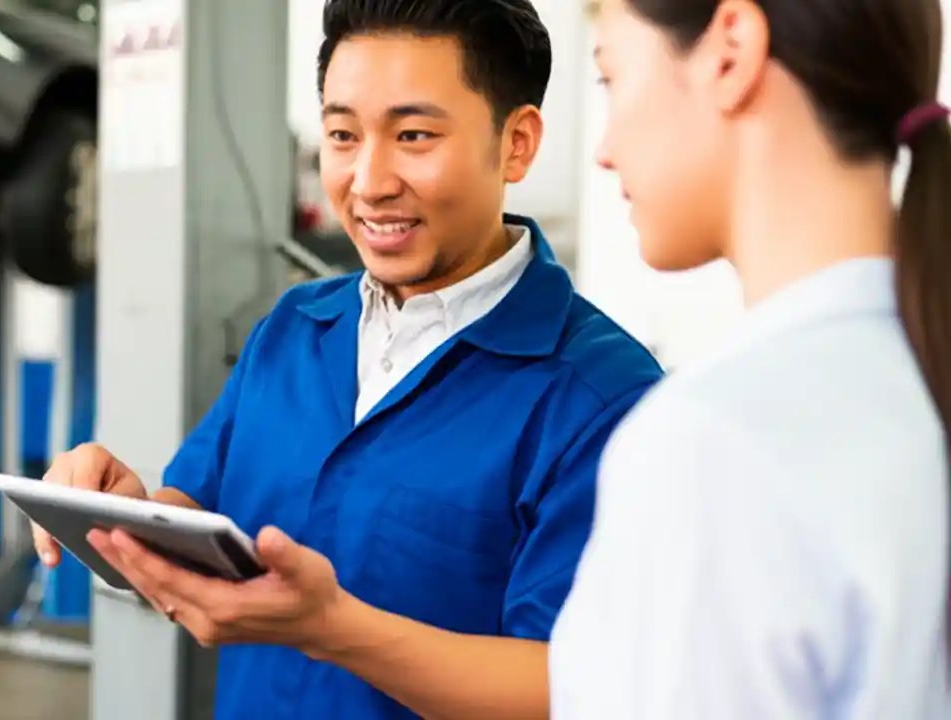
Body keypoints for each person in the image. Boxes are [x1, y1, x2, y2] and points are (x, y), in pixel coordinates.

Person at [36, 0, 660, 717]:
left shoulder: (604, 401)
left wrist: (334, 631)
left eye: (414, 135)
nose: (368, 182)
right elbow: (196, 514)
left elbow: (570, 688)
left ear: (515, 143)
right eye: (342, 134)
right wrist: (121, 515)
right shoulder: (295, 327)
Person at [550, 0, 951, 718]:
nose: (604, 148)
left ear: (729, 51)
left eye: (610, 77)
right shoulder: (916, 371)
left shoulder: (713, 443)